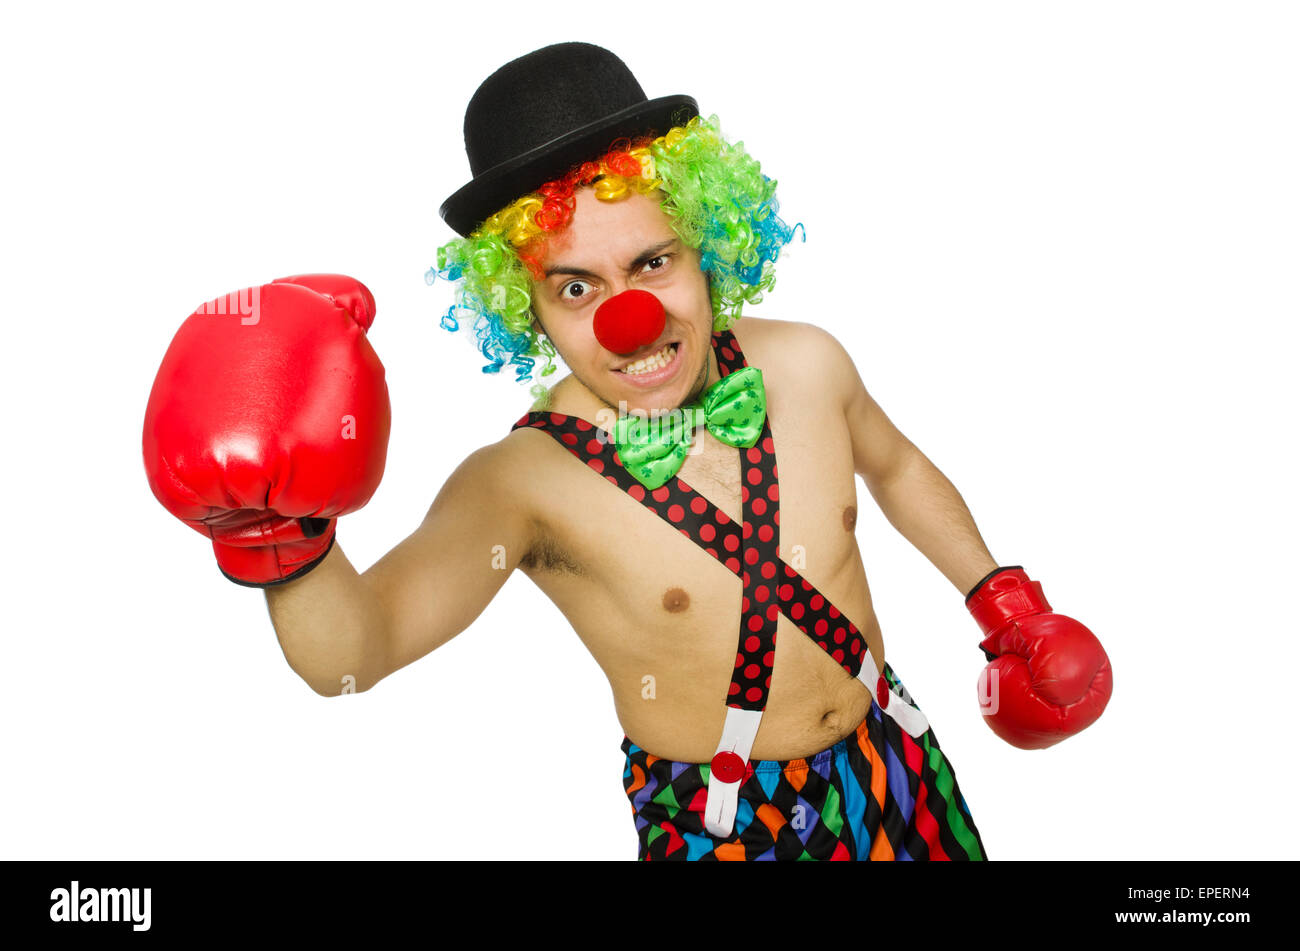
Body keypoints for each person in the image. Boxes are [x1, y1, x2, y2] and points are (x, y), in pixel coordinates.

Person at [142, 43, 1112, 861]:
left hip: (896, 756)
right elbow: (355, 655)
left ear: (705, 248)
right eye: (574, 289)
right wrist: (281, 539)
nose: (629, 318)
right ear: (525, 310)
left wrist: (1003, 603)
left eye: (651, 263)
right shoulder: (519, 485)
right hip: (728, 826)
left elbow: (896, 471)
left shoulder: (808, 364)